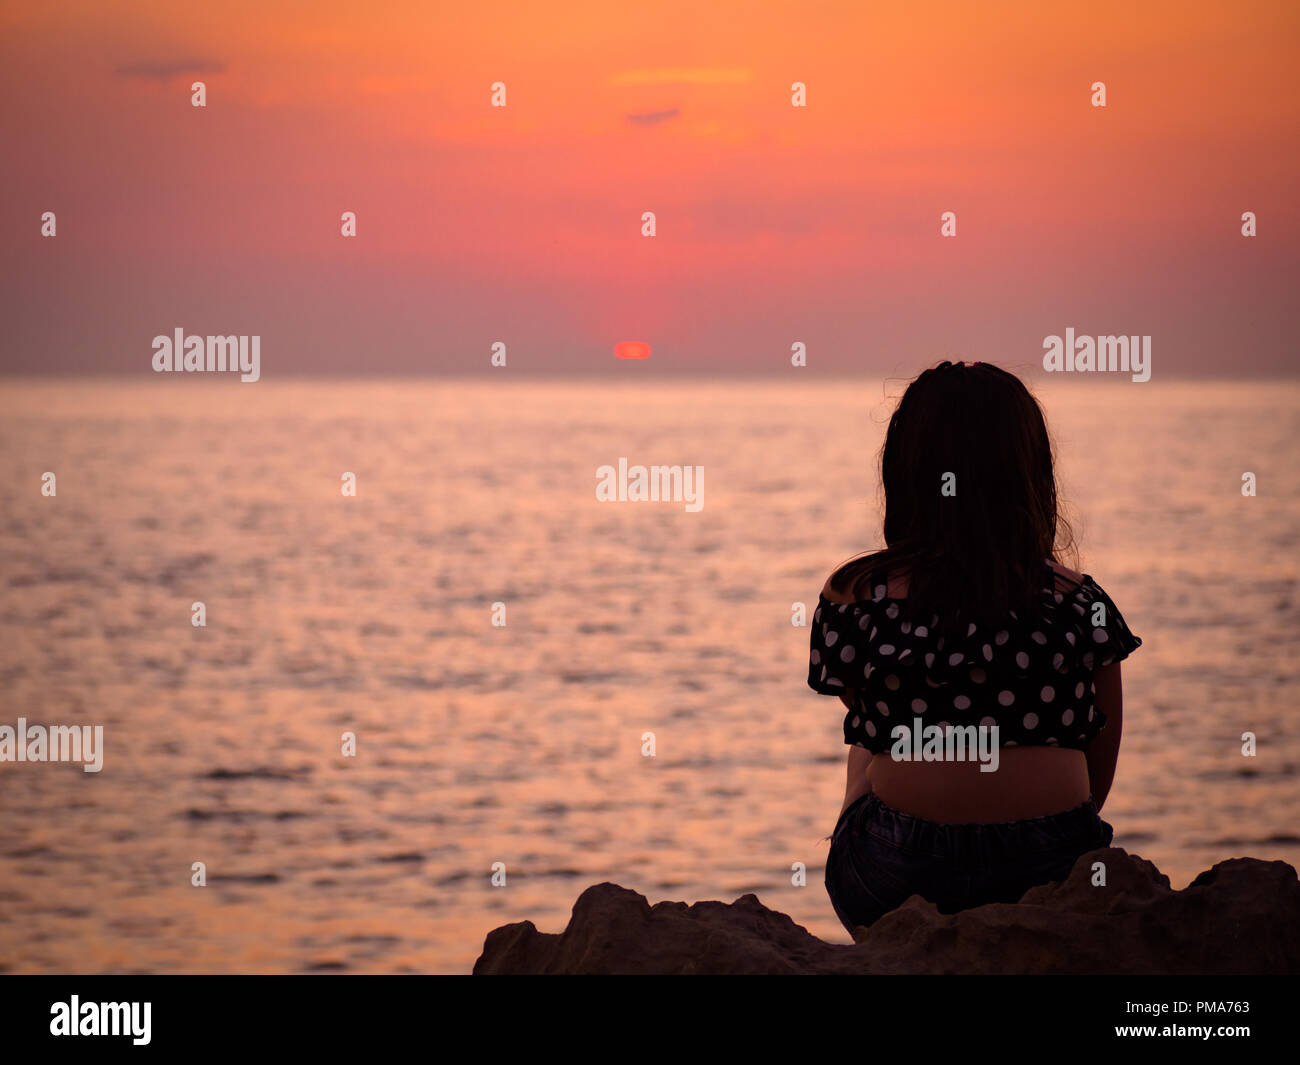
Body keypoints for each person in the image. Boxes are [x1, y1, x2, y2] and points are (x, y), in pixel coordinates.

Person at [807, 361, 1141, 938]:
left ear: (903, 474)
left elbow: (867, 717)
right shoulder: (1079, 599)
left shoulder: (856, 593)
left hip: (896, 873)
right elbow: (1097, 765)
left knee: (868, 745)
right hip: (1053, 860)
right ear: (1031, 475)